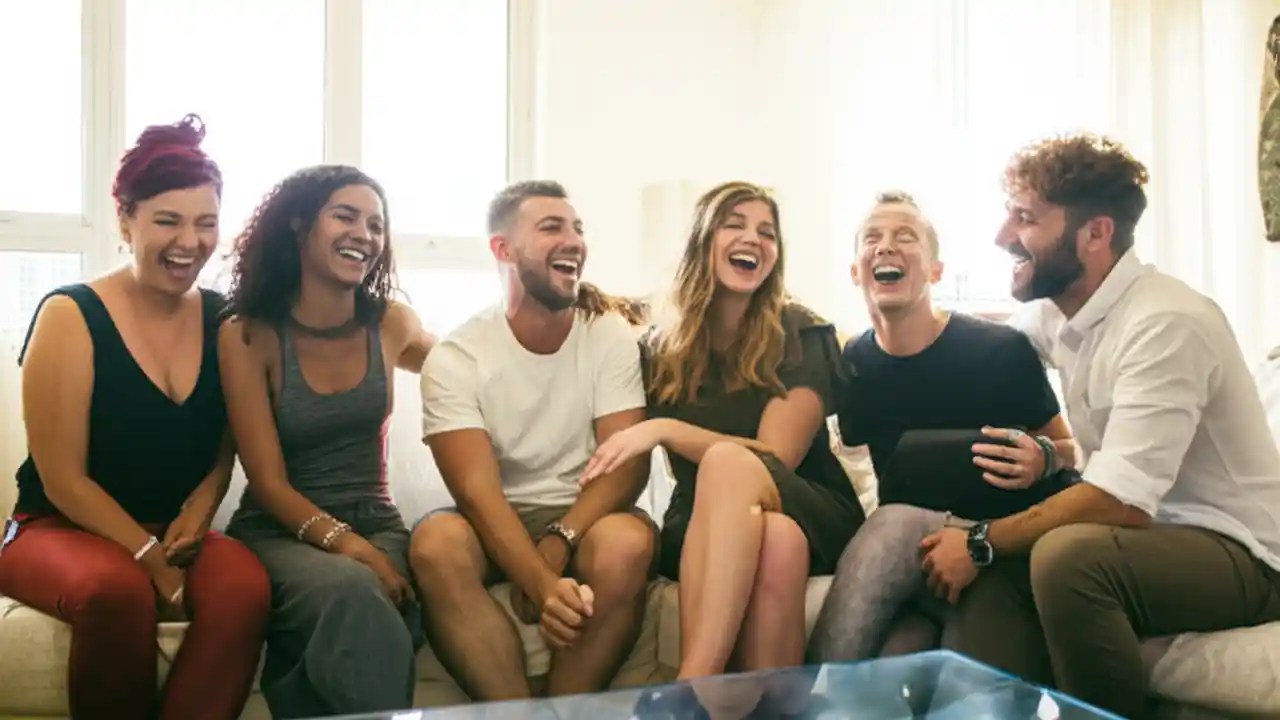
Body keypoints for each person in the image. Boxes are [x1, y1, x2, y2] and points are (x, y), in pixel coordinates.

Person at [920, 133, 1280, 719]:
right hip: (1151, 539)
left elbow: (1121, 502)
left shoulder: (1166, 321)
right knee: (1003, 569)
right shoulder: (1056, 314)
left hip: (1245, 554)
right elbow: (979, 341)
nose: (1002, 236)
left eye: (1025, 218)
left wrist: (981, 539)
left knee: (1067, 556)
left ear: (1095, 234)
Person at [0, 115, 270, 720]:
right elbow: (63, 480)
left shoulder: (226, 317)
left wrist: (198, 517)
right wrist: (148, 557)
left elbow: (226, 448)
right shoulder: (71, 313)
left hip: (172, 530)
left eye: (206, 224)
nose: (189, 242)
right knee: (116, 592)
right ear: (126, 220)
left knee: (245, 589)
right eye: (167, 221)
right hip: (53, 528)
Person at [583, 181, 864, 679]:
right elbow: (609, 317)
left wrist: (667, 429)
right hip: (703, 520)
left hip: (807, 502)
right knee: (776, 541)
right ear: (701, 242)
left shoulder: (800, 331)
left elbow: (774, 458)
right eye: (734, 224)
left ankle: (694, 686)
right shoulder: (660, 346)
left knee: (730, 462)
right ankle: (763, 712)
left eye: (766, 232)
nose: (753, 239)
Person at [410, 180, 656, 701]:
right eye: (551, 228)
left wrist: (561, 540)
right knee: (435, 546)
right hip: (495, 519)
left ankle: (564, 714)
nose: (573, 240)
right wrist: (544, 587)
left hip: (586, 514)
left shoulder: (608, 335)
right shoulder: (456, 357)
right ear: (502, 249)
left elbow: (627, 465)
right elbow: (477, 494)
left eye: (578, 229)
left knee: (628, 544)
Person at [807, 191, 1075, 662]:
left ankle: (814, 694)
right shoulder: (855, 364)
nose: (886, 246)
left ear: (934, 270)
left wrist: (1044, 456)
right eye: (873, 238)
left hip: (999, 542)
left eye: (904, 237)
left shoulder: (999, 349)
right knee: (895, 655)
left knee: (968, 684)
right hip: (919, 553)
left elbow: (1073, 448)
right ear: (856, 271)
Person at [219, 165, 435, 718]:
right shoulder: (248, 333)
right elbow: (266, 483)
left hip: (378, 523)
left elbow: (473, 365)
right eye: (345, 215)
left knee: (372, 604)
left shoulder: (391, 324)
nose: (363, 233)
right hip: (281, 531)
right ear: (299, 224)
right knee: (350, 589)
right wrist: (353, 550)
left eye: (376, 225)